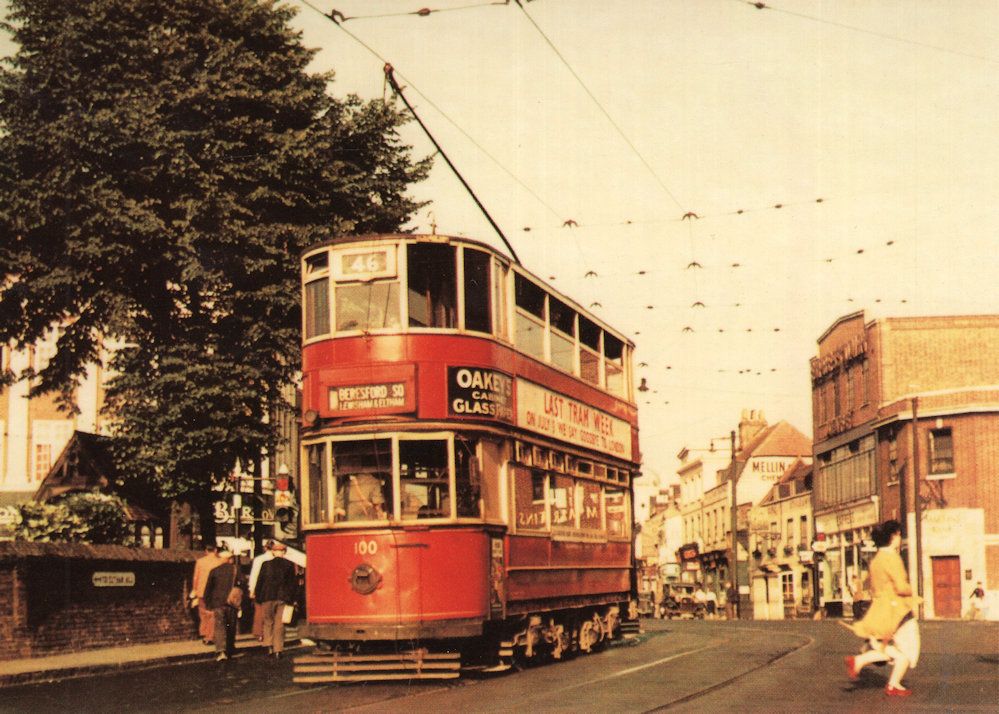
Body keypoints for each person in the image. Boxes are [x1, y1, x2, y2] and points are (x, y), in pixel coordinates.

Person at [844, 520, 921, 697]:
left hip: (881, 609)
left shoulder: (876, 560)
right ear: (893, 536)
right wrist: (911, 590)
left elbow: (873, 587)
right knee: (910, 648)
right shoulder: (892, 557)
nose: (900, 538)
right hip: (898, 609)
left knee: (893, 647)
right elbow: (901, 587)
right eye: (899, 534)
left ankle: (885, 678)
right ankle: (866, 664)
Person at [255, 541, 299, 658]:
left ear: (273, 552)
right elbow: (293, 584)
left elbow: (260, 581)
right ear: (284, 552)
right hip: (282, 598)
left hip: (267, 597)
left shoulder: (265, 564)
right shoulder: (289, 565)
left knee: (268, 622)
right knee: (280, 624)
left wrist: (258, 597)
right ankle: (278, 650)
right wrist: (293, 598)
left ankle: (268, 646)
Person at [204, 546, 243, 661]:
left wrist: (208, 603)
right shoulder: (236, 570)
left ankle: (221, 651)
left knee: (219, 626)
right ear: (230, 559)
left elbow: (208, 588)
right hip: (232, 602)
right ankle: (230, 648)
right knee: (231, 625)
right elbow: (242, 585)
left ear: (221, 559)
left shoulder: (214, 571)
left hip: (218, 602)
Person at [191, 543, 223, 645]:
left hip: (202, 592)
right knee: (213, 614)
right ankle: (211, 636)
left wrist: (195, 589)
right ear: (215, 550)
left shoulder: (200, 562)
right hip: (214, 592)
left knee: (203, 614)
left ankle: (205, 634)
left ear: (206, 551)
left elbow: (196, 577)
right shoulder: (220, 562)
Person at [248, 540, 274, 640]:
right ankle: (269, 634)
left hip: (260, 588)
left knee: (259, 611)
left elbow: (254, 575)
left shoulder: (259, 559)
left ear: (265, 548)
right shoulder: (278, 559)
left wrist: (251, 589)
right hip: (272, 589)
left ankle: (259, 633)